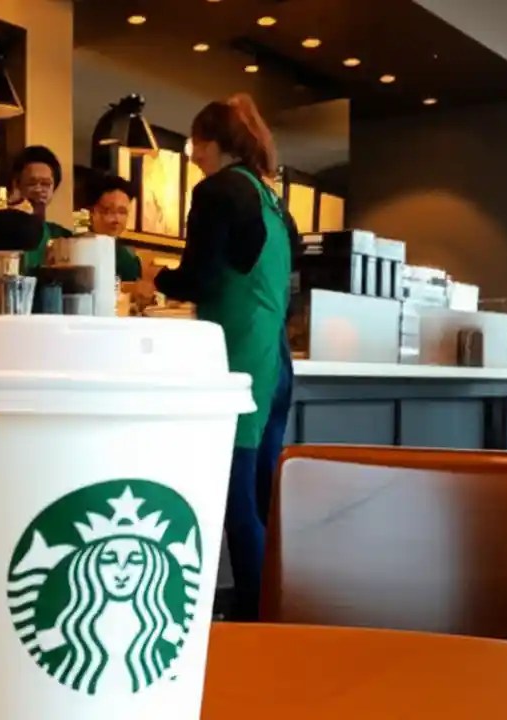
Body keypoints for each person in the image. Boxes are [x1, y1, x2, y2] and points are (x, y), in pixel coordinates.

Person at [153, 94, 296, 622]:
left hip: (240, 363)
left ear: (215, 142)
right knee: (262, 502)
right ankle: (275, 613)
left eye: (196, 143)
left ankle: (258, 625)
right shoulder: (274, 201)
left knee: (238, 504)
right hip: (276, 361)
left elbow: (201, 279)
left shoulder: (215, 192)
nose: (193, 155)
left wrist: (156, 279)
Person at [0, 146, 71, 273]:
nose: (38, 190)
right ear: (17, 184)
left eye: (46, 184)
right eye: (31, 183)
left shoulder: (61, 236)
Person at [83, 174, 145, 282]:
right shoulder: (77, 250)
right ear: (91, 212)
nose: (117, 219)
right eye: (109, 211)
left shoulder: (129, 260)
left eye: (122, 212)